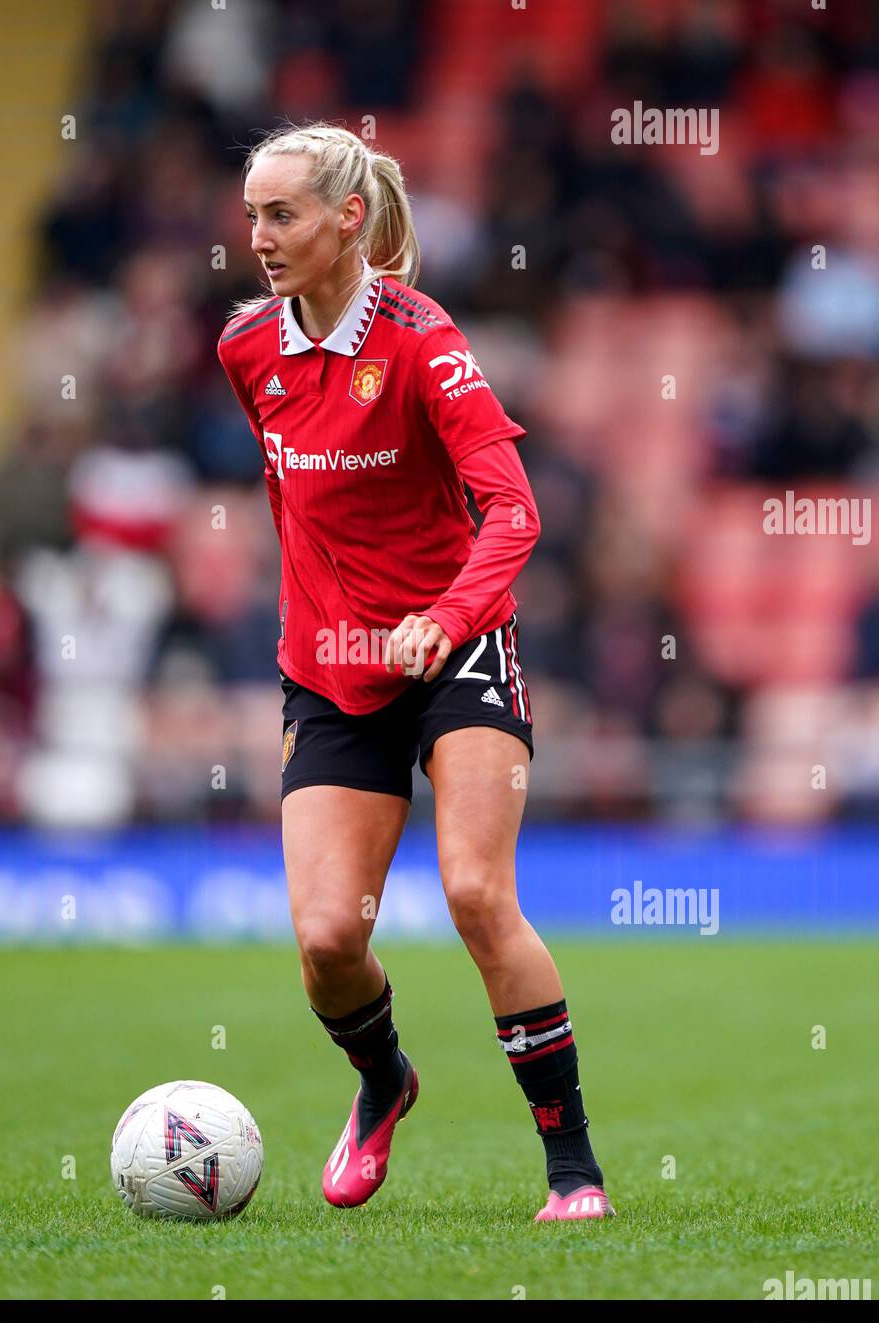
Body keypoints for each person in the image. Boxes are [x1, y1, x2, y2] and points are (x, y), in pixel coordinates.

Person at [217, 121, 614, 1222]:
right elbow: (295, 507)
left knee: (479, 893)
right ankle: (384, 1078)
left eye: (281, 213)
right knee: (326, 940)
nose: (258, 235)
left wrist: (442, 616)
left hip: (456, 642)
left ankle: (572, 1167)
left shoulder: (423, 340)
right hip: (329, 667)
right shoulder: (245, 350)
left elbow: (514, 510)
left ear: (347, 219)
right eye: (251, 213)